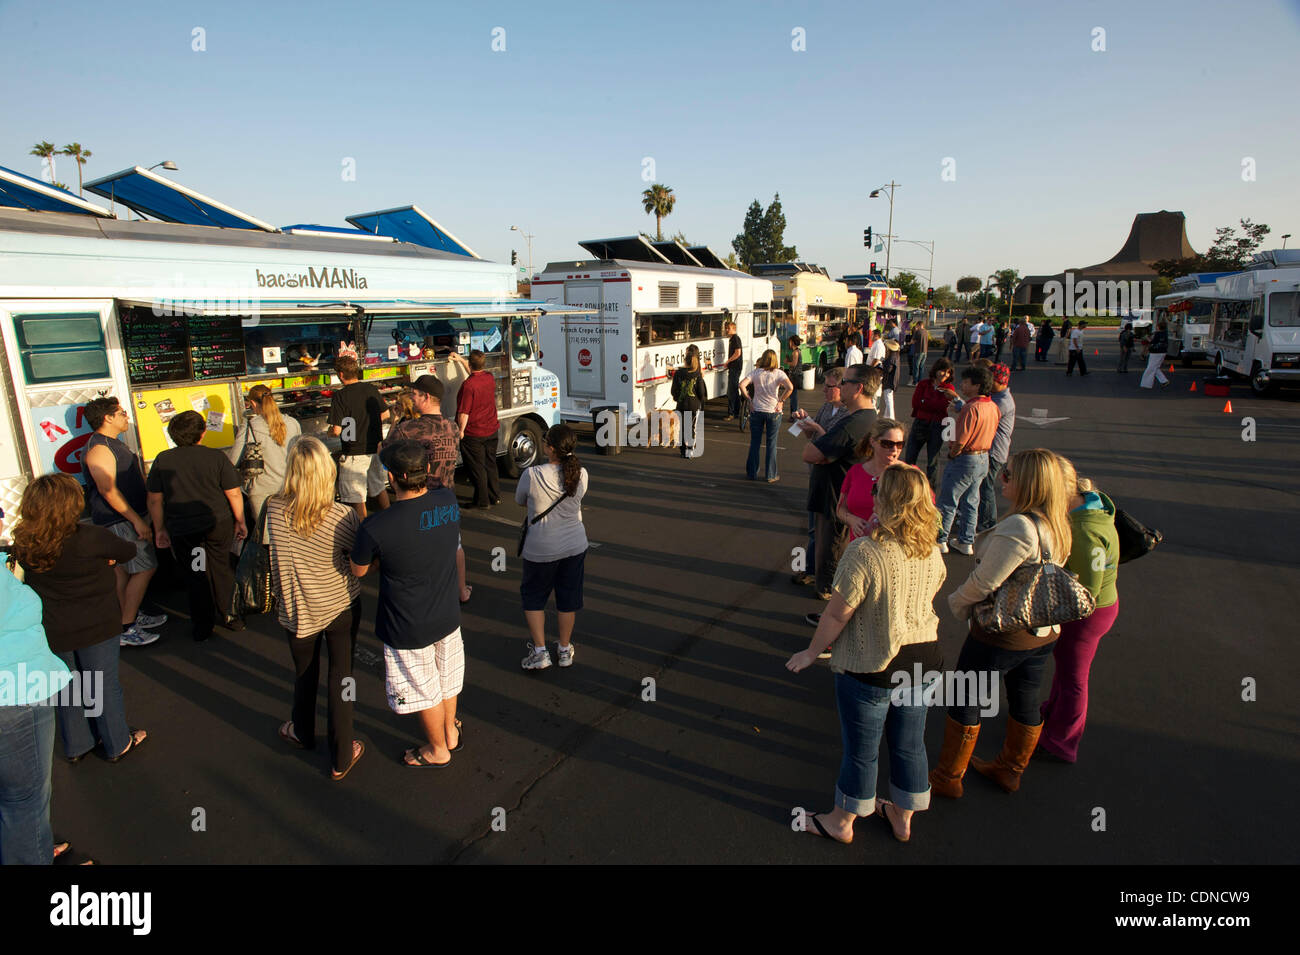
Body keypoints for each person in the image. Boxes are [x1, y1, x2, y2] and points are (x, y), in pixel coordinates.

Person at [786, 465, 946, 844]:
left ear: (884, 501)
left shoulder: (865, 552)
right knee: (910, 744)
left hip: (873, 665)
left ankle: (842, 821)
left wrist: (812, 652)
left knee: (862, 751)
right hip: (923, 660)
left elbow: (838, 612)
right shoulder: (932, 550)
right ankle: (903, 815)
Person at [930, 448, 1071, 797]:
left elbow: (985, 582)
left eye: (1008, 474)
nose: (1001, 478)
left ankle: (949, 776)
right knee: (1024, 695)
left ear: (1027, 483)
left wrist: (956, 604)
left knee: (966, 696)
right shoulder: (1057, 522)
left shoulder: (1019, 527)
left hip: (1002, 633)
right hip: (1042, 630)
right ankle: (1011, 768)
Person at [10, 474, 146, 765]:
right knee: (102, 683)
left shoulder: (26, 543)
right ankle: (116, 742)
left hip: (54, 627)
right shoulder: (91, 537)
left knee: (67, 685)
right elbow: (128, 551)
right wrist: (106, 560)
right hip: (97, 625)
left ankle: (77, 745)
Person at [351, 441, 465, 768]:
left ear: (391, 477)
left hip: (407, 623)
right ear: (426, 471)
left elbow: (357, 571)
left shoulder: (376, 526)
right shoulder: (447, 499)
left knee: (423, 687)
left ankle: (437, 749)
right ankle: (450, 733)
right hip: (446, 615)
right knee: (447, 678)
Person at [267, 437, 365, 780]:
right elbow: (357, 559)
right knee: (342, 677)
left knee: (304, 674)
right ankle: (341, 755)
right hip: (339, 604)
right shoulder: (342, 516)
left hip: (295, 609)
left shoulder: (274, 508)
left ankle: (302, 731)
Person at [0, 509, 73, 865]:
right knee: (24, 797)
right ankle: (31, 853)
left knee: (14, 798)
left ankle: (34, 845)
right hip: (16, 695)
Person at [1038, 455, 1120, 763]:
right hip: (1097, 608)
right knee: (1065, 667)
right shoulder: (1094, 509)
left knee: (1074, 678)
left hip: (1088, 613)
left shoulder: (1085, 530)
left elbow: (1087, 590)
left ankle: (1062, 741)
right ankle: (1053, 711)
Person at [147, 411, 247, 641]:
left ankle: (203, 624)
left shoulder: (163, 459)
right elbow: (232, 493)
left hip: (185, 529)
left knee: (196, 571)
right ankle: (230, 616)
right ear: (202, 433)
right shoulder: (216, 457)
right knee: (221, 567)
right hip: (217, 523)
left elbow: (154, 499)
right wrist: (240, 520)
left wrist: (159, 528)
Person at [80, 396, 165, 649]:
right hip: (118, 520)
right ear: (108, 418)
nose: (126, 416)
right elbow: (108, 490)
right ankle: (126, 627)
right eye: (121, 412)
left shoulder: (112, 444)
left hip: (123, 518)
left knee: (121, 573)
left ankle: (130, 615)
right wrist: (137, 521)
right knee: (145, 567)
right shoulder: (99, 449)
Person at [802, 365, 881, 615]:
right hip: (836, 492)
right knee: (828, 546)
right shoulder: (860, 418)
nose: (838, 388)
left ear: (858, 388)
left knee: (832, 550)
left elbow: (811, 453)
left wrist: (824, 454)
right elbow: (820, 454)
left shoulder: (853, 423)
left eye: (843, 383)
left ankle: (832, 608)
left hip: (836, 495)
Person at [517, 424, 589, 670]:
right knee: (567, 598)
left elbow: (519, 500)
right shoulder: (582, 473)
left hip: (541, 547)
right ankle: (564, 649)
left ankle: (540, 651)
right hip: (575, 545)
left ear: (549, 448)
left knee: (534, 597)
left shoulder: (532, 474)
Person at [935, 365, 997, 555]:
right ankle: (966, 541)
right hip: (983, 457)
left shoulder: (972, 408)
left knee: (948, 501)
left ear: (976, 385)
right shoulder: (992, 406)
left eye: (966, 382)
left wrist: (953, 453)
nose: (962, 385)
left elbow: (961, 438)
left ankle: (940, 539)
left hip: (965, 458)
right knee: (972, 501)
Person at [791, 369, 845, 587]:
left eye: (829, 387)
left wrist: (816, 427)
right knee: (814, 528)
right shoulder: (826, 407)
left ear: (843, 388)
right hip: (816, 473)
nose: (824, 389)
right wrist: (807, 423)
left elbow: (832, 442)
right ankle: (811, 569)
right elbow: (813, 437)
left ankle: (826, 577)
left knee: (830, 533)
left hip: (832, 478)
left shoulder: (848, 415)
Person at [228, 383, 301, 530]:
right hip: (292, 486)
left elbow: (233, 460)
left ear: (253, 403)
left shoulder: (250, 427)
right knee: (291, 534)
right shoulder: (293, 423)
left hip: (262, 492)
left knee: (267, 537)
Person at [328, 355, 391, 519]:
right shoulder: (370, 389)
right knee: (378, 487)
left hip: (353, 452)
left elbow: (336, 430)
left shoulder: (340, 396)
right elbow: (385, 414)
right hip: (375, 448)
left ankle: (362, 530)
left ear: (341, 375)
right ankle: (390, 517)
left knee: (356, 497)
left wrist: (328, 432)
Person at [382, 374, 460, 491]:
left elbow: (383, 453)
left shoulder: (407, 429)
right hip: (447, 497)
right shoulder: (453, 427)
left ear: (426, 397)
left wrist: (394, 422)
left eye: (414, 394)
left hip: (419, 498)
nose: (412, 398)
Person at [836, 418, 907, 541]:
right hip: (859, 548)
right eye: (887, 444)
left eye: (899, 444)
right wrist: (852, 520)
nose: (895, 449)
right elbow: (840, 509)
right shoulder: (856, 472)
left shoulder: (909, 475)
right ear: (873, 442)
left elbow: (927, 513)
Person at [451, 349, 501, 508]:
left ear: (471, 364)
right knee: (490, 464)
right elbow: (473, 372)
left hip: (475, 432)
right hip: (492, 429)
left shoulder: (468, 386)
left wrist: (461, 431)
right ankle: (494, 496)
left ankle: (482, 501)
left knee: (476, 467)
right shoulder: (488, 377)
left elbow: (464, 412)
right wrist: (460, 359)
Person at [740, 349, 794, 483]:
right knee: (771, 444)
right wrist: (781, 400)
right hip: (773, 411)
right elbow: (790, 387)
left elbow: (742, 385)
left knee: (755, 443)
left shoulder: (756, 373)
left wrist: (749, 400)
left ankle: (752, 473)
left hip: (757, 410)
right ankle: (770, 475)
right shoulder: (779, 373)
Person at [904, 358, 958, 489]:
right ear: (936, 370)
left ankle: (930, 488)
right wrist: (931, 404)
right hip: (920, 422)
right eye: (942, 371)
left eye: (948, 373)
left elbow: (941, 406)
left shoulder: (949, 388)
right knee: (910, 455)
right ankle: (906, 484)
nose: (944, 375)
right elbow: (915, 403)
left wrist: (925, 402)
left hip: (938, 425)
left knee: (933, 459)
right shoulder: (924, 384)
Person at [977, 362, 1016, 533]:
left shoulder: (1002, 402)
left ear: (1000, 381)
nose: (988, 383)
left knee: (986, 488)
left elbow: (982, 416)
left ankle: (988, 523)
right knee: (982, 486)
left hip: (994, 451)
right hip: (993, 449)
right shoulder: (998, 397)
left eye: (991, 380)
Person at [671, 344, 707, 459]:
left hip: (681, 403)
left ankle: (682, 450)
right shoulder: (698, 375)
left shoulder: (678, 373)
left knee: (681, 427)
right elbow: (701, 392)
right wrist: (701, 401)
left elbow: (673, 390)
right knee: (691, 427)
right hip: (693, 404)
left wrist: (677, 398)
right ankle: (690, 450)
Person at [722, 321, 744, 421]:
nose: (727, 330)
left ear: (734, 329)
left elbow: (738, 352)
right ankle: (736, 412)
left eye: (728, 328)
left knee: (732, 390)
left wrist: (728, 361)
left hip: (735, 367)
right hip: (734, 367)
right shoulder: (732, 339)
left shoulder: (735, 338)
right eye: (726, 328)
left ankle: (732, 413)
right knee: (734, 390)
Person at [1140, 321, 1171, 389]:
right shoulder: (1165, 333)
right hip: (1163, 352)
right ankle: (1164, 381)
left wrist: (1147, 338)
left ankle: (1146, 383)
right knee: (1155, 367)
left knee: (1151, 367)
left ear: (1158, 327)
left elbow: (1153, 342)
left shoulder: (1157, 333)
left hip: (1155, 352)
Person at [879, 339, 901, 418]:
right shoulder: (896, 355)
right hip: (893, 380)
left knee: (888, 400)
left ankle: (891, 417)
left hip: (889, 381)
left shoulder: (891, 357)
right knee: (889, 399)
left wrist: (883, 362)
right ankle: (887, 416)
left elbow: (888, 369)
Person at [784, 336, 805, 419]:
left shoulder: (795, 352)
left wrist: (787, 362)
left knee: (793, 397)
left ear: (792, 342)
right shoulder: (797, 351)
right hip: (796, 376)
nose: (789, 343)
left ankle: (794, 414)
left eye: (790, 342)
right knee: (793, 395)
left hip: (795, 376)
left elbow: (794, 364)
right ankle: (793, 414)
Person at [909, 319, 928, 385]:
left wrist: (909, 343)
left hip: (918, 351)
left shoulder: (917, 332)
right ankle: (920, 380)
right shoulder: (926, 332)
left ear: (919, 325)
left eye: (917, 325)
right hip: (925, 351)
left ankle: (915, 381)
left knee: (916, 367)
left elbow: (912, 341)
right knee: (921, 367)